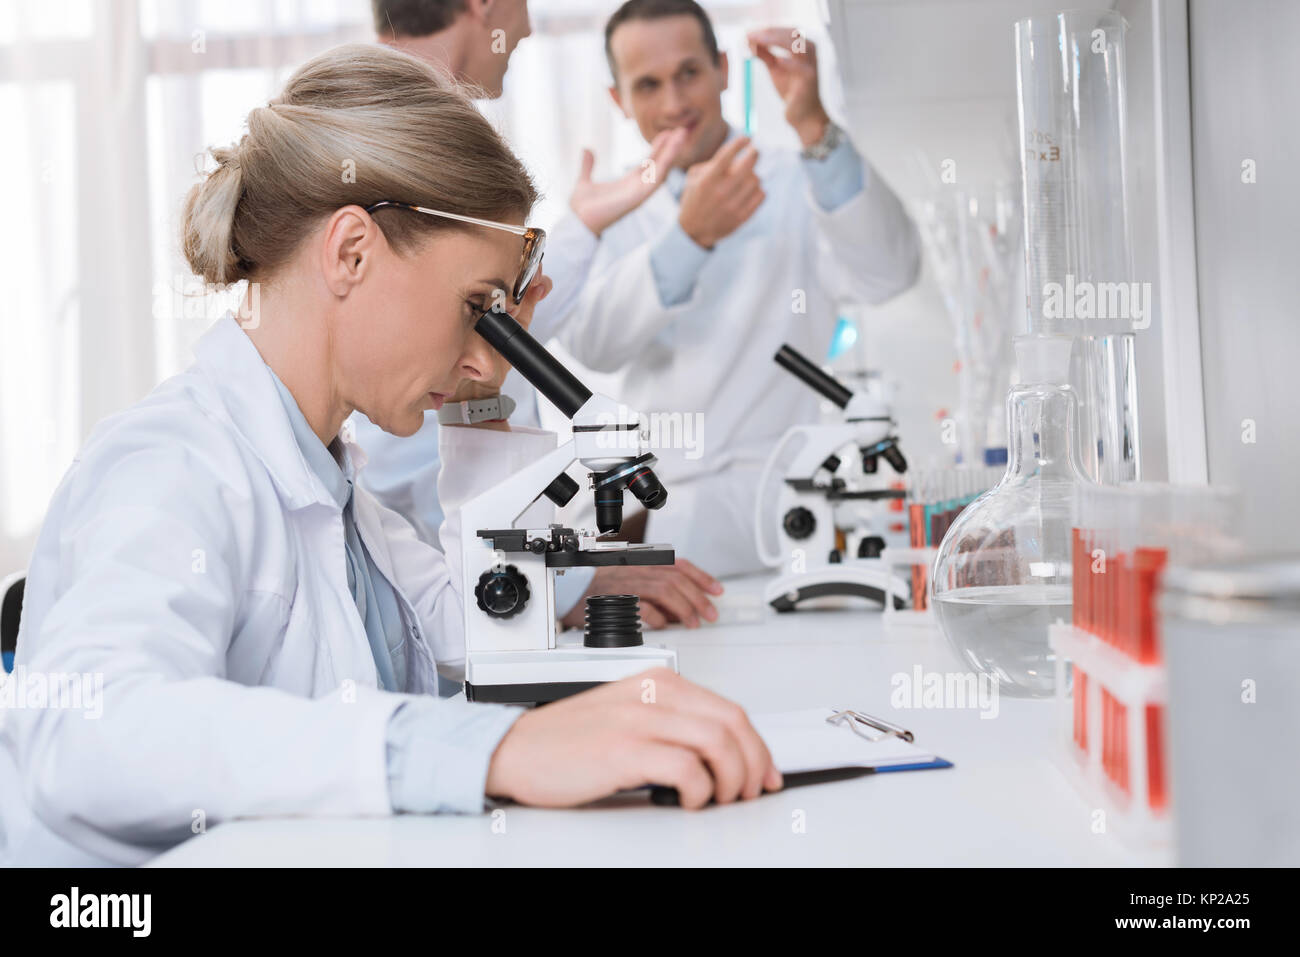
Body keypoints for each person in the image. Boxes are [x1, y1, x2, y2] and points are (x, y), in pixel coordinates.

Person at [0, 44, 779, 867]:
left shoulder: (341, 495)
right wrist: (494, 751)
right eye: (477, 307)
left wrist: (486, 382)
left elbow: (483, 626)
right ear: (351, 253)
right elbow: (87, 733)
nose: (486, 351)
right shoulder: (168, 464)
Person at [359, 0, 721, 631]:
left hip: (465, 577)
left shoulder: (417, 128)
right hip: (439, 593)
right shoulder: (396, 142)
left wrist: (582, 227)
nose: (527, 24)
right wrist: (564, 580)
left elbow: (489, 335)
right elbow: (410, 441)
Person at [549, 0, 921, 578]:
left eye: (689, 73)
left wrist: (814, 126)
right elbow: (594, 343)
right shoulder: (615, 206)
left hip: (778, 510)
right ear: (619, 100)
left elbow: (889, 272)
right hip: (658, 517)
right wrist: (689, 239)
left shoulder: (800, 175)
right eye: (649, 85)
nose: (674, 103)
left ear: (723, 68)